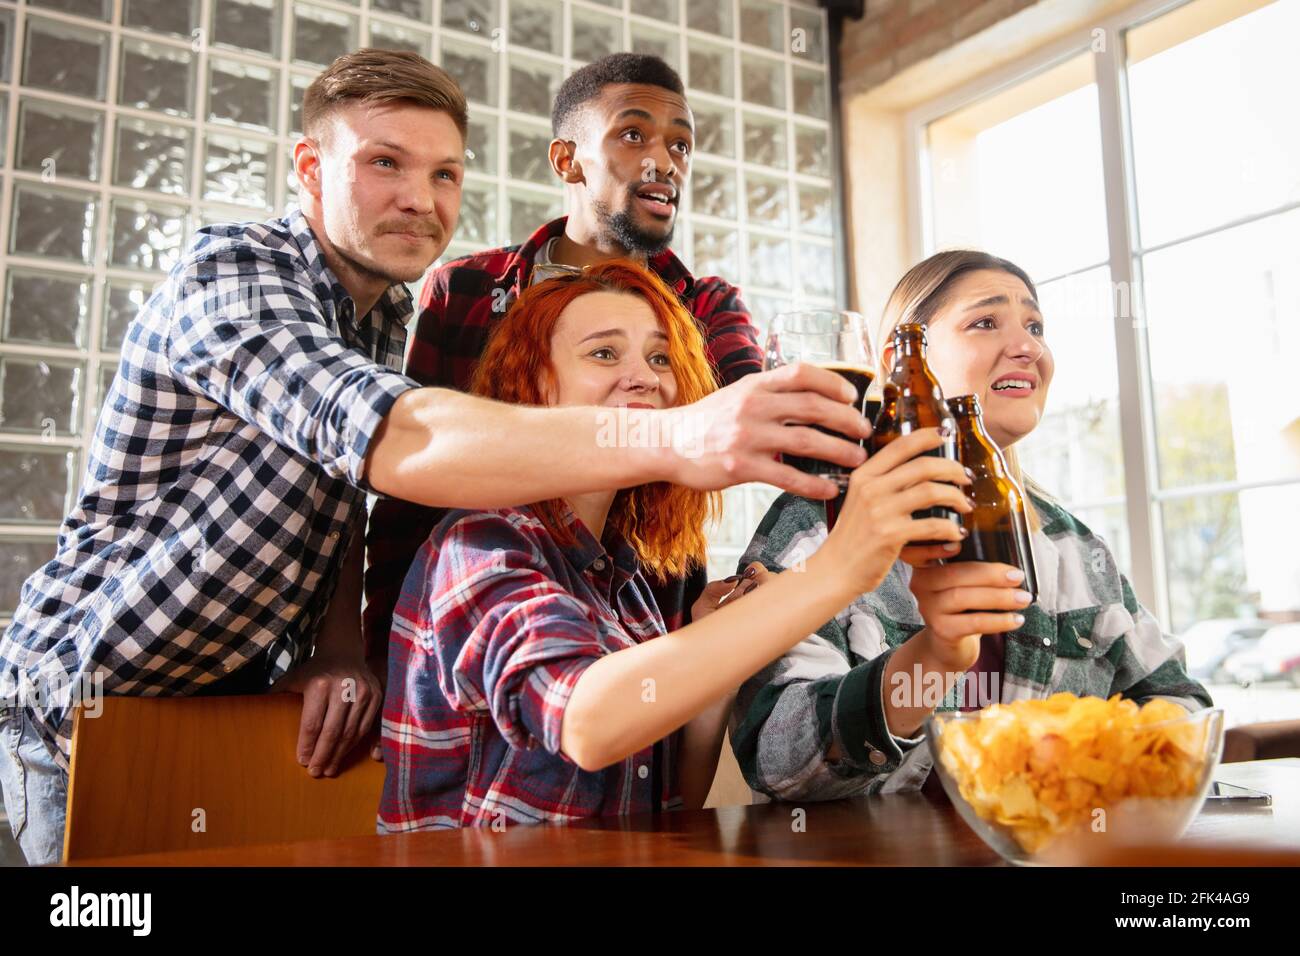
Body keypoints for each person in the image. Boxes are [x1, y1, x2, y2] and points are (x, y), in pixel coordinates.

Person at [0, 50, 866, 866]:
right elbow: (402, 446)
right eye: (385, 164)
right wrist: (686, 437)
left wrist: (338, 649)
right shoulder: (232, 272)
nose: (421, 199)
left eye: (444, 174)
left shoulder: (379, 316)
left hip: (251, 691)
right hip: (91, 697)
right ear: (309, 168)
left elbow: (349, 494)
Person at [378, 258, 971, 830]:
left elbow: (675, 802)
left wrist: (713, 649)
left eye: (660, 357)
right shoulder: (482, 541)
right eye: (603, 352)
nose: (643, 376)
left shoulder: (626, 579)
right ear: (531, 383)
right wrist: (835, 571)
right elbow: (589, 722)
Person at [730, 250, 1213, 801]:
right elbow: (775, 758)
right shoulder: (819, 524)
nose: (1027, 346)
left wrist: (1086, 764)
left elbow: (1182, 705)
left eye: (1035, 326)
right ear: (901, 360)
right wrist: (927, 663)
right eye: (985, 322)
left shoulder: (1076, 548)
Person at [364, 51, 764, 653]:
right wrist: (373, 652)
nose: (664, 162)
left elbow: (754, 419)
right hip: (478, 623)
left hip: (647, 636)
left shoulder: (705, 305)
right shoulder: (469, 288)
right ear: (567, 160)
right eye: (633, 135)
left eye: (680, 146)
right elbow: (412, 490)